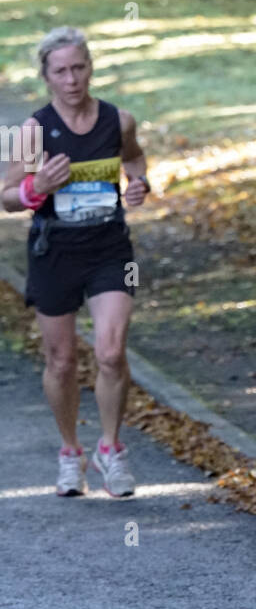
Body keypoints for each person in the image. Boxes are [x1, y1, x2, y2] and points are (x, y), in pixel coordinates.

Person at [1, 26, 151, 497]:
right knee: (61, 360)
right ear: (45, 77)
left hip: (110, 250)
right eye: (61, 71)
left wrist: (139, 184)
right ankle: (71, 452)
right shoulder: (32, 131)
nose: (72, 79)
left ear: (91, 68)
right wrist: (36, 188)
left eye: (79, 68)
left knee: (110, 351)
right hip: (55, 251)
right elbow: (5, 197)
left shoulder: (118, 120)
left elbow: (136, 160)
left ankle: (110, 447)